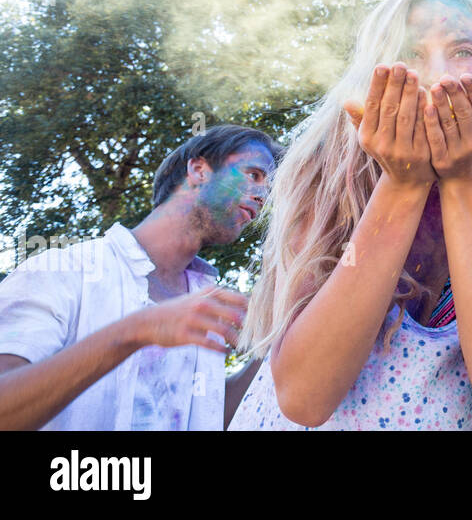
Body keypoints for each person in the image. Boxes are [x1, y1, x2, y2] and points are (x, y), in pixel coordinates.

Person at [230, 0, 472, 430]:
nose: (440, 75)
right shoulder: (326, 168)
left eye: (463, 51)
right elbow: (305, 399)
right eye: (411, 54)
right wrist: (403, 185)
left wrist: (465, 180)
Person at [0, 124, 282, 430]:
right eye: (254, 175)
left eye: (268, 187)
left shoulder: (207, 302)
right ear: (199, 170)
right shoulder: (62, 269)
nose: (262, 195)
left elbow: (211, 417)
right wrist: (138, 329)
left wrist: (273, 341)